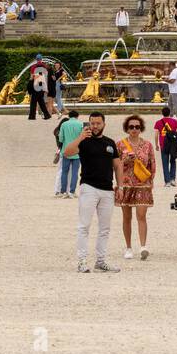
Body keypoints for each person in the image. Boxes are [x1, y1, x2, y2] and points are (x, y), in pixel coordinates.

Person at [64, 112, 122, 273]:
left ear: (104, 124)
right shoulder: (84, 141)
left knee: (105, 228)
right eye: (92, 123)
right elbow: (67, 152)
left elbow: (117, 165)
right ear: (88, 124)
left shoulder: (110, 143)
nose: (95, 126)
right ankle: (82, 261)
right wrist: (81, 137)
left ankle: (101, 260)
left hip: (107, 189)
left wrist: (121, 186)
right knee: (84, 226)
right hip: (89, 187)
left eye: (98, 123)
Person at [115, 114, 156, 260]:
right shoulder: (120, 144)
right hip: (125, 184)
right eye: (131, 127)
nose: (134, 129)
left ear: (141, 129)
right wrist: (124, 159)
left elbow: (152, 163)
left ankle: (143, 246)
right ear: (127, 128)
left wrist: (151, 181)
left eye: (137, 127)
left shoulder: (148, 145)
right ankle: (128, 247)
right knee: (126, 217)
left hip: (142, 184)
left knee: (141, 216)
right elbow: (114, 164)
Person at [55, 109, 85, 197]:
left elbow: (61, 138)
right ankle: (72, 191)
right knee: (75, 173)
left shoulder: (64, 124)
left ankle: (63, 191)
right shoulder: (80, 124)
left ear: (69, 116)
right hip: (77, 152)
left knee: (64, 172)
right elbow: (83, 137)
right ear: (77, 116)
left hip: (66, 151)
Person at [154, 106, 177, 186]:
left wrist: (156, 145)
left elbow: (156, 135)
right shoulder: (174, 121)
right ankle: (173, 179)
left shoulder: (158, 122)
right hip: (173, 145)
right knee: (173, 161)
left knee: (165, 163)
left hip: (163, 145)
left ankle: (167, 181)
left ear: (162, 113)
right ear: (170, 113)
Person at [27, 55, 50, 119]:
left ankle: (32, 116)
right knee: (41, 101)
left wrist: (29, 84)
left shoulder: (33, 66)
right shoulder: (45, 66)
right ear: (41, 59)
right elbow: (45, 77)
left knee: (33, 102)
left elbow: (31, 77)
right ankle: (47, 115)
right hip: (41, 85)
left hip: (35, 85)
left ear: (36, 59)